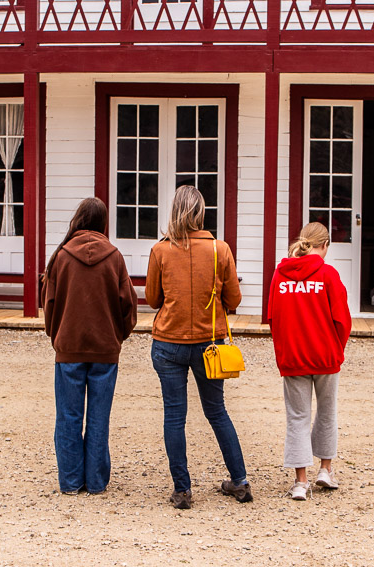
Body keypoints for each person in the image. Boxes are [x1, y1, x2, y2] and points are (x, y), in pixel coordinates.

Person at [145, 184, 253, 510]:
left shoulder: (160, 251)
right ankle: (240, 480)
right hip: (209, 343)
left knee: (174, 416)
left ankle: (182, 490)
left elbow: (152, 300)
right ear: (201, 212)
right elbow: (234, 299)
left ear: (175, 210)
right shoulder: (220, 249)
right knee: (217, 412)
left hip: (168, 342)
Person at [43, 197, 137, 495]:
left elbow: (49, 302)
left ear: (79, 219)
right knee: (99, 417)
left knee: (68, 416)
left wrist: (56, 336)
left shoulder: (61, 256)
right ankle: (96, 482)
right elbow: (128, 305)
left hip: (69, 347)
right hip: (105, 349)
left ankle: (71, 482)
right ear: (102, 222)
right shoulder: (115, 256)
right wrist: (117, 336)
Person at [267, 221, 352, 500]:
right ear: (325, 245)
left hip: (293, 356)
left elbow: (273, 318)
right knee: (327, 412)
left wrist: (283, 352)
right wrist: (336, 349)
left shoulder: (280, 275)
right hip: (325, 355)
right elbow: (342, 319)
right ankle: (325, 470)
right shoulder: (328, 275)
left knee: (297, 417)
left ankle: (301, 481)